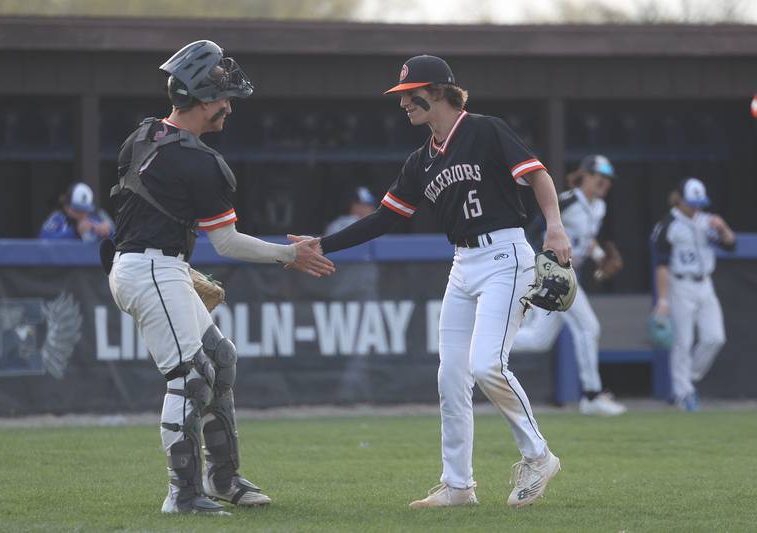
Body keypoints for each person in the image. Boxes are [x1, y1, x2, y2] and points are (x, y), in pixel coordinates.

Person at [292, 55, 571, 509]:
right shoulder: (420, 160)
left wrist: (554, 226)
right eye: (402, 96)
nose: (404, 103)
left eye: (411, 94)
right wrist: (323, 243)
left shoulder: (484, 128)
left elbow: (536, 175)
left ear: (440, 91)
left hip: (505, 255)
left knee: (487, 365)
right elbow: (384, 218)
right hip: (463, 263)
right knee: (451, 376)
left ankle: (538, 455)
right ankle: (458, 486)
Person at [106, 40, 334, 515]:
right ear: (199, 96)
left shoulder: (143, 135)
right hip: (150, 267)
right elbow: (227, 243)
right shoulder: (199, 160)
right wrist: (289, 254)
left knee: (219, 358)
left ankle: (224, 479)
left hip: (149, 263)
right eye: (222, 96)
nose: (229, 105)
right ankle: (183, 495)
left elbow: (137, 210)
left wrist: (175, 264)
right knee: (190, 377)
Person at [513, 155, 626, 416]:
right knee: (589, 327)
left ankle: (482, 340)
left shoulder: (599, 207)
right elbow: (533, 231)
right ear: (585, 175)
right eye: (600, 177)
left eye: (608, 179)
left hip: (568, 275)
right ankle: (592, 395)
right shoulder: (569, 201)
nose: (604, 183)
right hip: (553, 273)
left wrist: (599, 257)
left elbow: (586, 240)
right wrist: (537, 268)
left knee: (539, 340)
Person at [651, 177, 735, 411]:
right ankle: (683, 393)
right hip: (681, 285)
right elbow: (662, 265)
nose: (696, 206)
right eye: (692, 202)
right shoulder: (669, 224)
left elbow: (731, 245)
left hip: (705, 283)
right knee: (683, 341)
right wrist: (664, 299)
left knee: (715, 337)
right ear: (680, 199)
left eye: (699, 202)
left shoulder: (708, 221)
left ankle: (686, 378)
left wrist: (724, 228)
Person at [39, 182, 115, 241]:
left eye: (85, 210)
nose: (83, 214)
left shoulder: (93, 220)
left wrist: (107, 232)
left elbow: (116, 238)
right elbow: (43, 241)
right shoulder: (57, 218)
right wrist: (75, 231)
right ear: (67, 207)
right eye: (78, 210)